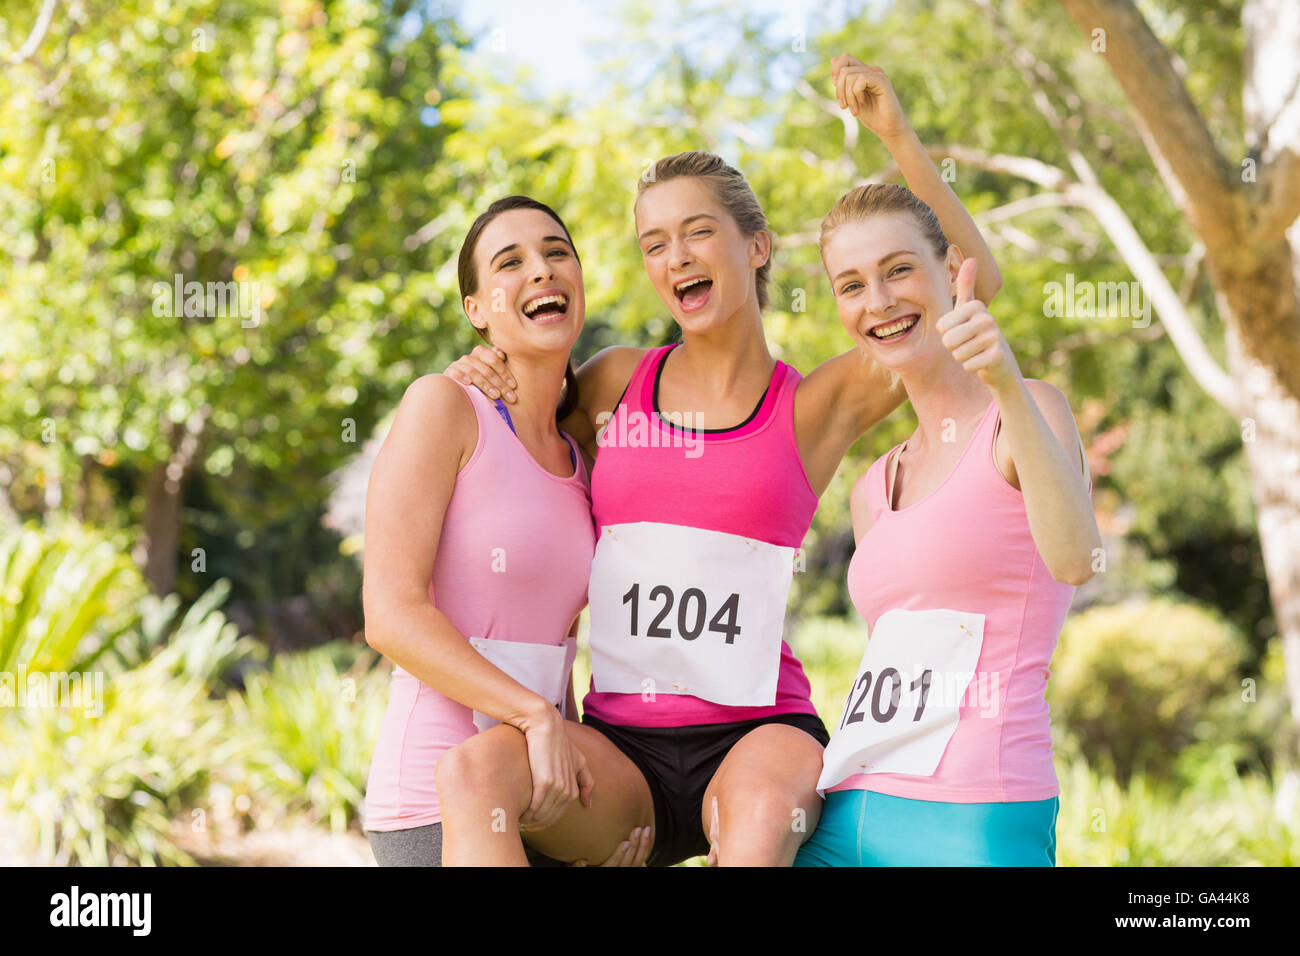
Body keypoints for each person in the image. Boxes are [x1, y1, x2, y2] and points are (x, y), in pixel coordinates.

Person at [440, 56, 1003, 866]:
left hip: (758, 735)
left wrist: (898, 137)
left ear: (758, 244)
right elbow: (518, 428)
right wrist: (481, 365)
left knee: (761, 819)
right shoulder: (611, 384)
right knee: (474, 774)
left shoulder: (815, 406)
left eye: (698, 231)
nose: (676, 258)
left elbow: (969, 286)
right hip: (621, 749)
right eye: (654, 244)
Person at [793, 182, 1102, 866]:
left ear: (951, 269)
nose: (877, 301)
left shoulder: (1026, 414)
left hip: (973, 810)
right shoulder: (871, 487)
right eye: (851, 284)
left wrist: (1003, 380)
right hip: (850, 805)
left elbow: (1078, 559)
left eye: (898, 269)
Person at [361, 196, 651, 867]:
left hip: (545, 795)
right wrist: (532, 714)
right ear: (477, 310)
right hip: (435, 796)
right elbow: (391, 615)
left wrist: (582, 798)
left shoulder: (582, 458)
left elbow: (552, 648)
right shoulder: (443, 407)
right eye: (510, 262)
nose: (542, 271)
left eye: (556, 253)